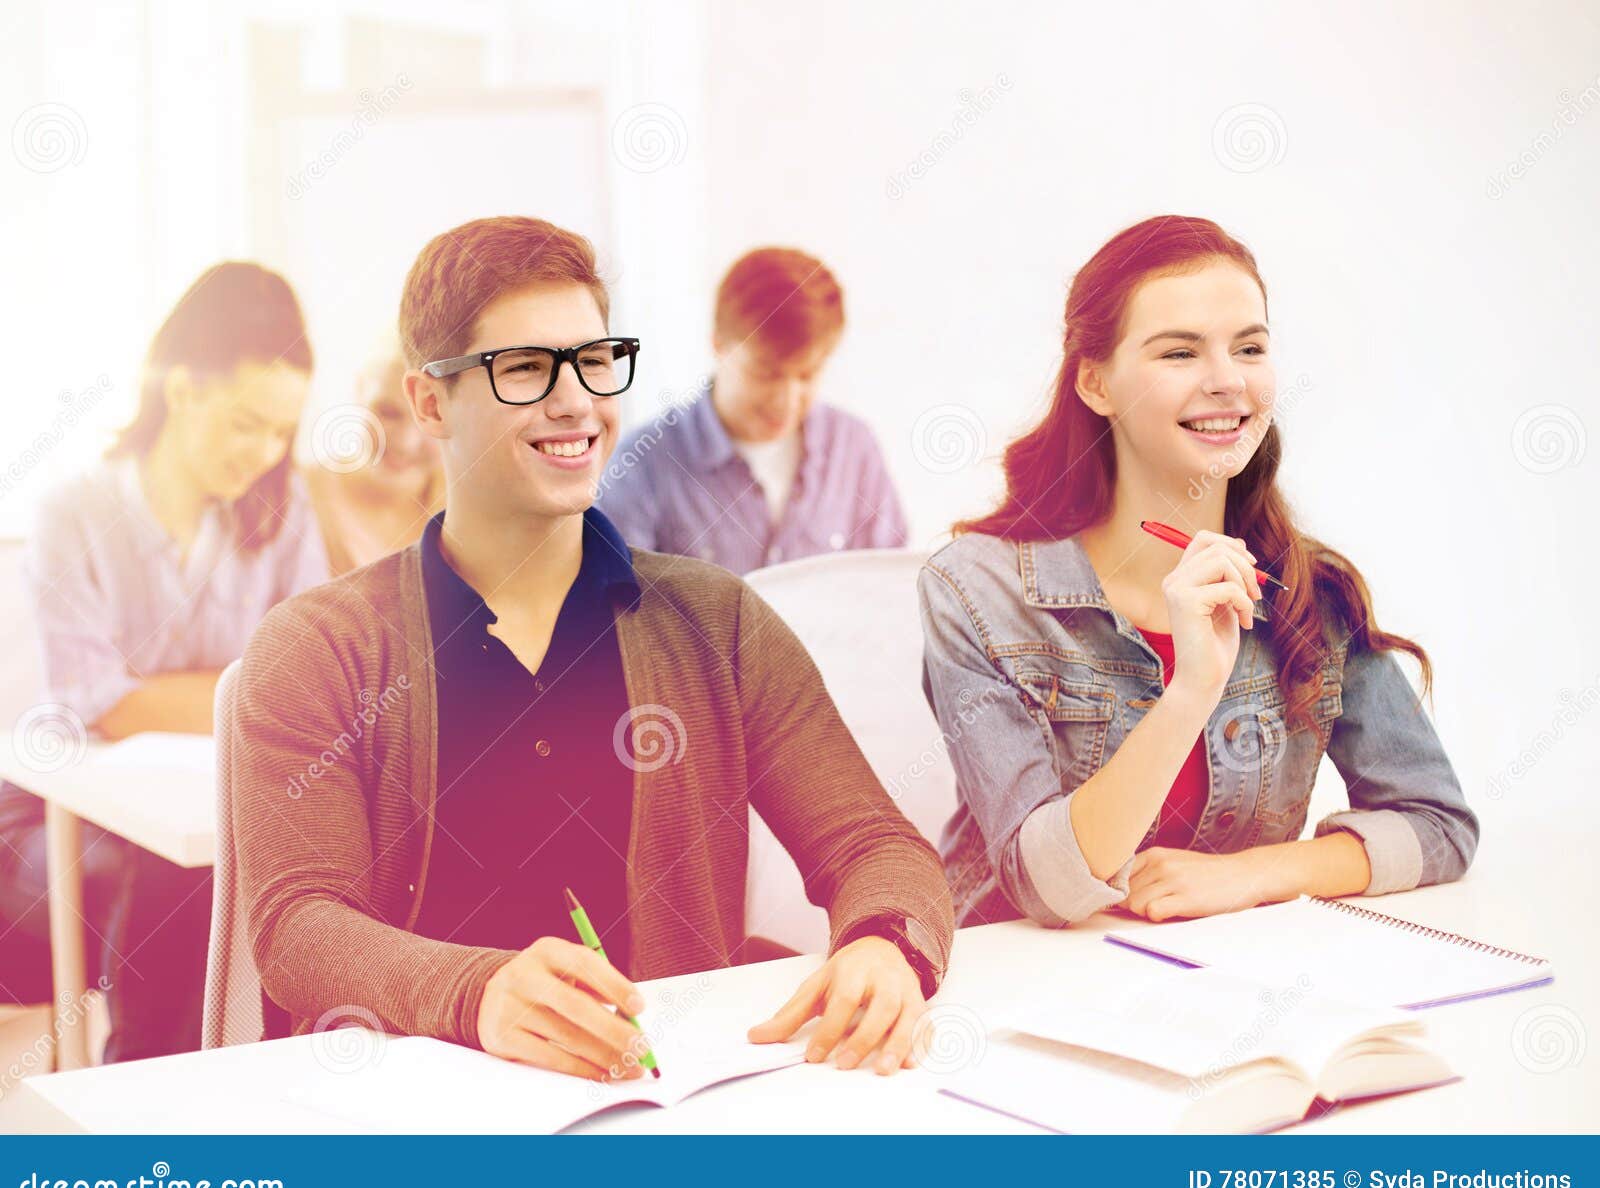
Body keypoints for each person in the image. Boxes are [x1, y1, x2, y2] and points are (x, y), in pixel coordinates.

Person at [230, 216, 953, 1082]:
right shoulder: (319, 646)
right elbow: (298, 927)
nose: (576, 401)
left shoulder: (716, 620)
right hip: (416, 1107)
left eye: (594, 361)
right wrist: (477, 991)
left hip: (657, 1101)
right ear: (430, 403)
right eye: (525, 368)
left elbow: (875, 845)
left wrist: (882, 944)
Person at [919, 215, 1478, 928]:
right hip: (1019, 974)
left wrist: (1252, 875)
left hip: (1218, 975)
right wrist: (1190, 693)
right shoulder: (977, 591)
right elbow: (1046, 887)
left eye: (1250, 348)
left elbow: (1438, 825)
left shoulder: (1310, 590)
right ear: (1095, 382)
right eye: (1179, 353)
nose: (1227, 381)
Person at [0, 262, 328, 1060]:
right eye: (247, 422)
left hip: (219, 805)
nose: (265, 451)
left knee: (268, 865)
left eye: (281, 431)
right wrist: (242, 690)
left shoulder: (282, 510)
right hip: (59, 815)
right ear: (181, 390)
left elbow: (309, 683)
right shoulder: (74, 509)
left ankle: (225, 1085)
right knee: (182, 873)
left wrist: (167, 694)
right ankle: (143, 1089)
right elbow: (101, 702)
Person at [595, 247, 907, 574]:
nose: (786, 401)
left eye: (807, 375)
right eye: (766, 374)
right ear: (719, 345)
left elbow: (887, 586)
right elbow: (616, 599)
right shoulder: (640, 466)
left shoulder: (853, 448)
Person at [303, 333, 444, 575]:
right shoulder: (297, 494)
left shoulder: (469, 518)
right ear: (360, 391)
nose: (406, 443)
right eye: (388, 412)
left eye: (431, 417)